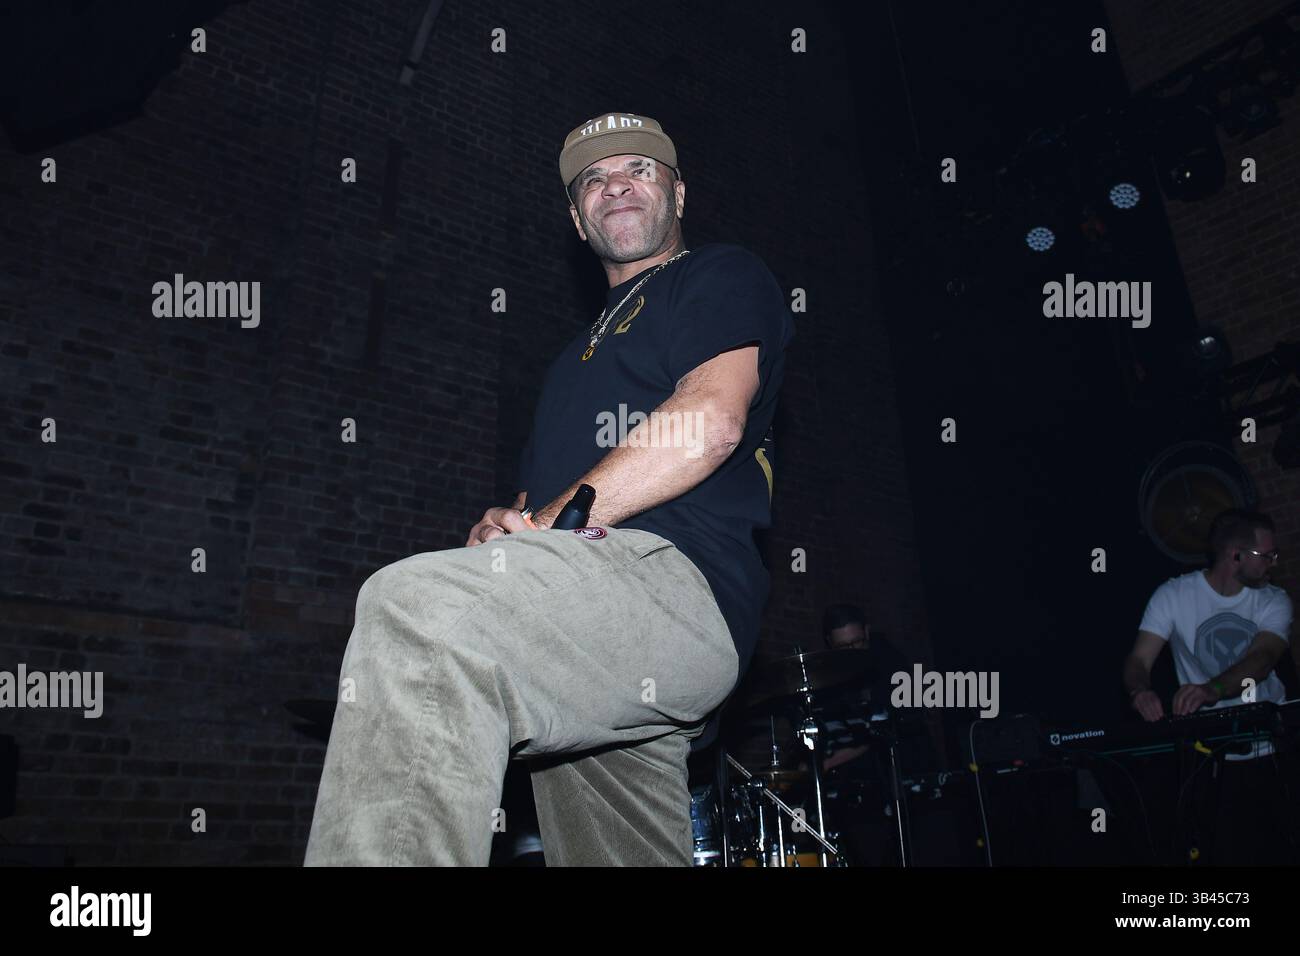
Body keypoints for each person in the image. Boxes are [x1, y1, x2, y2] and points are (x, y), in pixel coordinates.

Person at [303, 112, 795, 865]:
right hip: (596, 634)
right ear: (576, 217)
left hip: (672, 587)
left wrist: (546, 525)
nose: (615, 186)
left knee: (422, 611)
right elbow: (546, 514)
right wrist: (505, 531)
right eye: (593, 180)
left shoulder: (717, 275)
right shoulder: (571, 361)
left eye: (638, 169)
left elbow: (708, 422)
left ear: (679, 193)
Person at [1121, 508, 1296, 864]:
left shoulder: (1273, 599)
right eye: (1267, 556)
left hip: (1273, 746)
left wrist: (1210, 690)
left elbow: (1262, 660)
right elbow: (1138, 661)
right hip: (1210, 754)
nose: (1273, 564)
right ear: (1236, 557)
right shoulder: (1173, 595)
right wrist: (1140, 691)